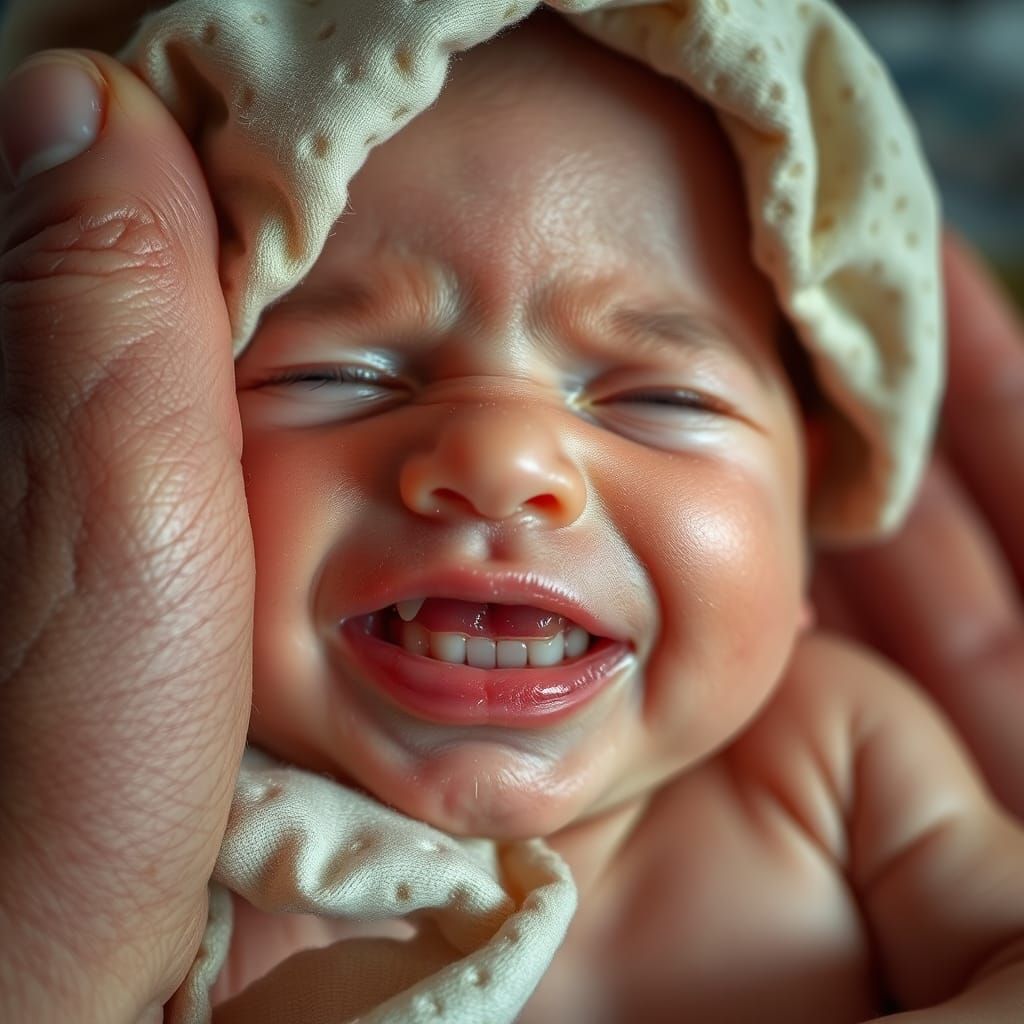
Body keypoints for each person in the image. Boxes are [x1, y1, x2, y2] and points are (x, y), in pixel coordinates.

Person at [1, 12, 1023, 1024]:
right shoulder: (160, 842)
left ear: (804, 522)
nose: (502, 461)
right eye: (341, 376)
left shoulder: (833, 749)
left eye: (658, 398)